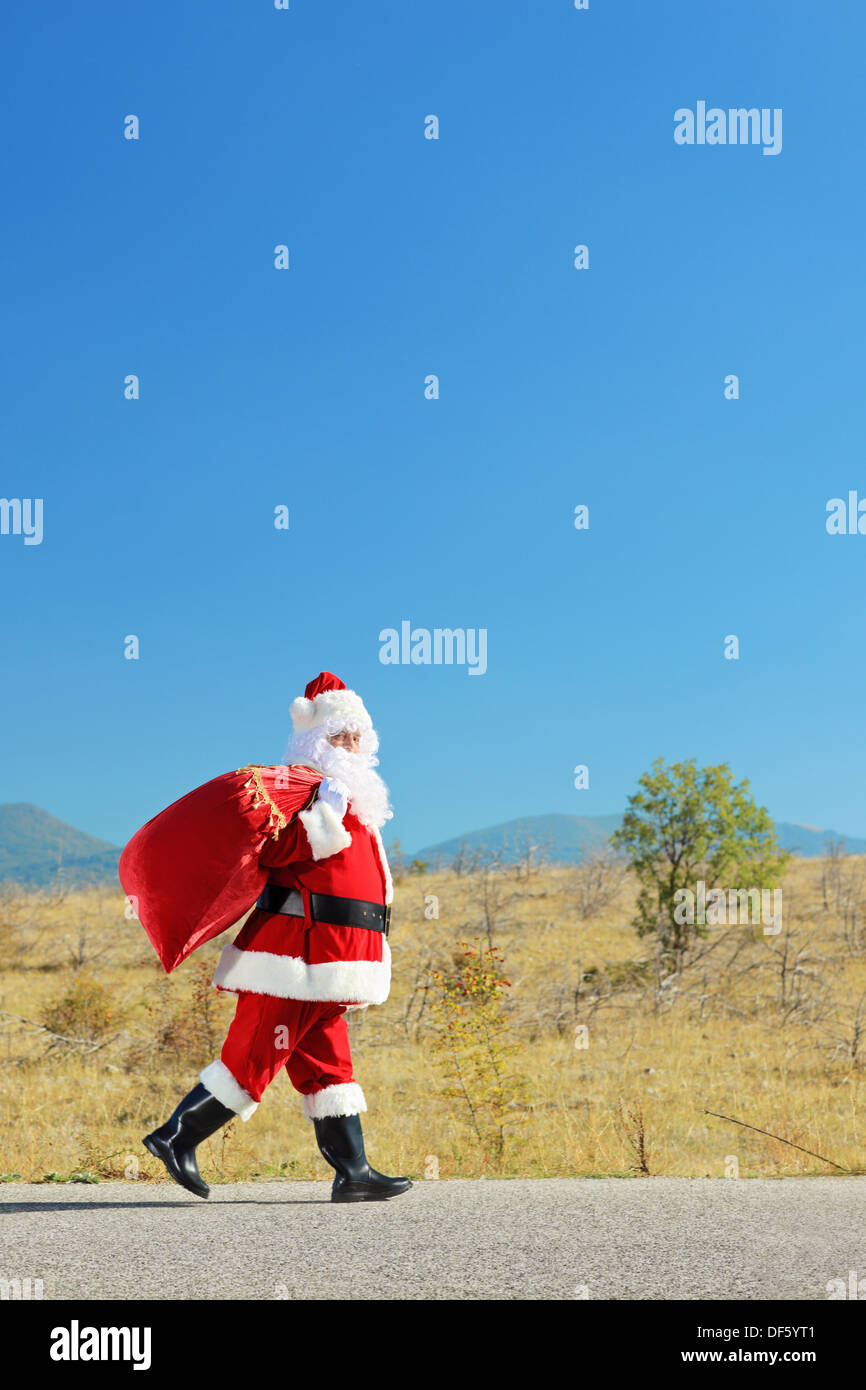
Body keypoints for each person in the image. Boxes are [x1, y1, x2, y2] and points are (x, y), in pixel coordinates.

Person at [140, 671, 412, 1204]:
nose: (350, 746)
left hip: (335, 957)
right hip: (295, 954)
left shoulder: (355, 800)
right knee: (253, 1054)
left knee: (330, 1068)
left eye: (357, 736)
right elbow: (277, 852)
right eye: (339, 737)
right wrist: (323, 815)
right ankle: (176, 1136)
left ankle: (353, 1172)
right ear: (314, 742)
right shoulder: (303, 792)